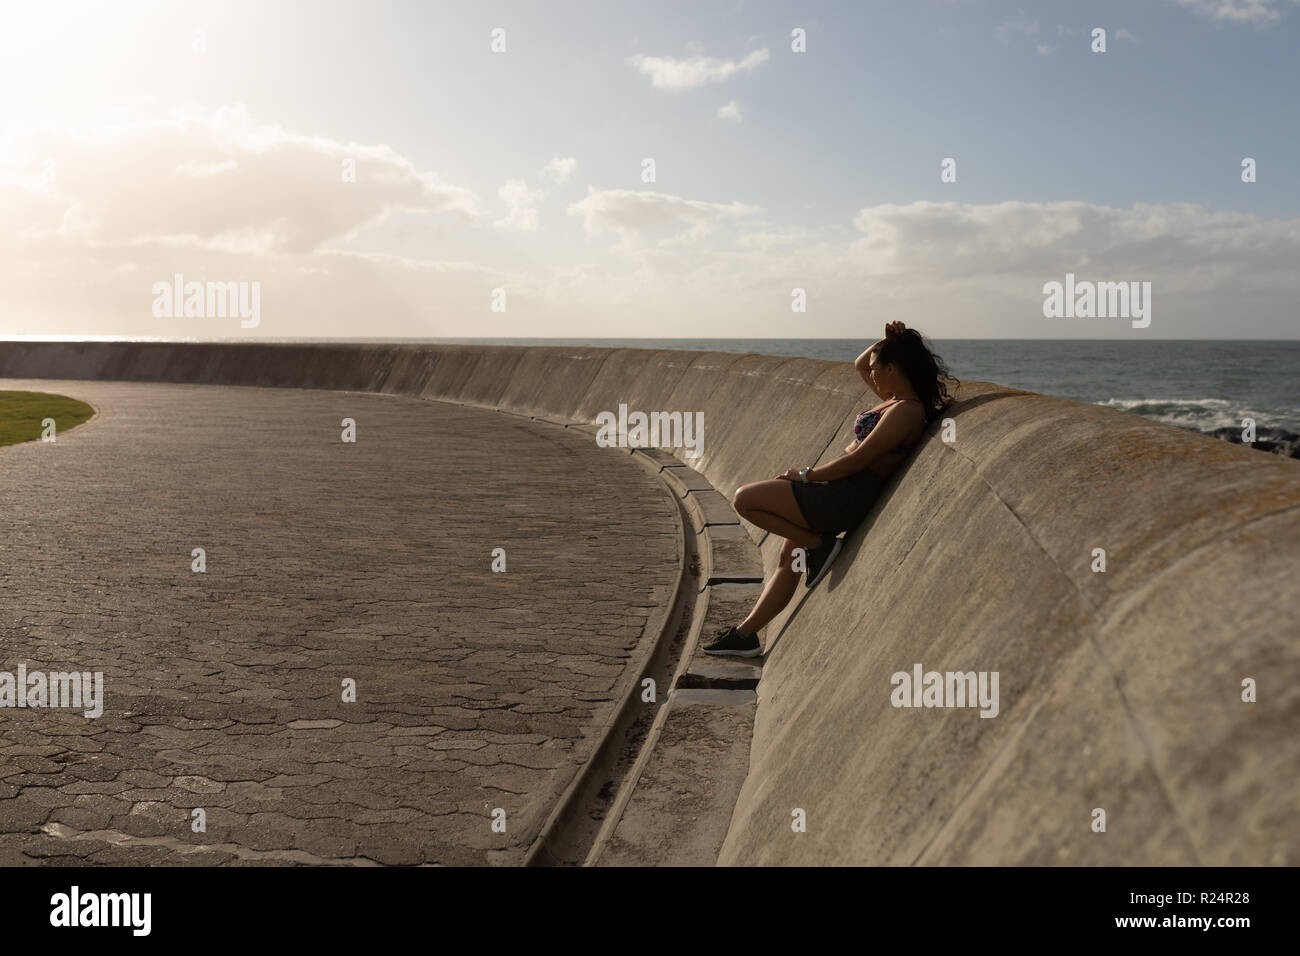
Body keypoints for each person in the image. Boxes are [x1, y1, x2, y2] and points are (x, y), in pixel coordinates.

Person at [703, 322, 957, 658]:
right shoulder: (892, 398)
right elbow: (858, 364)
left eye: (876, 369)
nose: (871, 375)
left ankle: (818, 544)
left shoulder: (906, 411)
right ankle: (745, 635)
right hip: (837, 489)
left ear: (892, 369)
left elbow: (859, 460)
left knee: (744, 499)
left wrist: (806, 476)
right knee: (788, 559)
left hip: (844, 497)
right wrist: (890, 340)